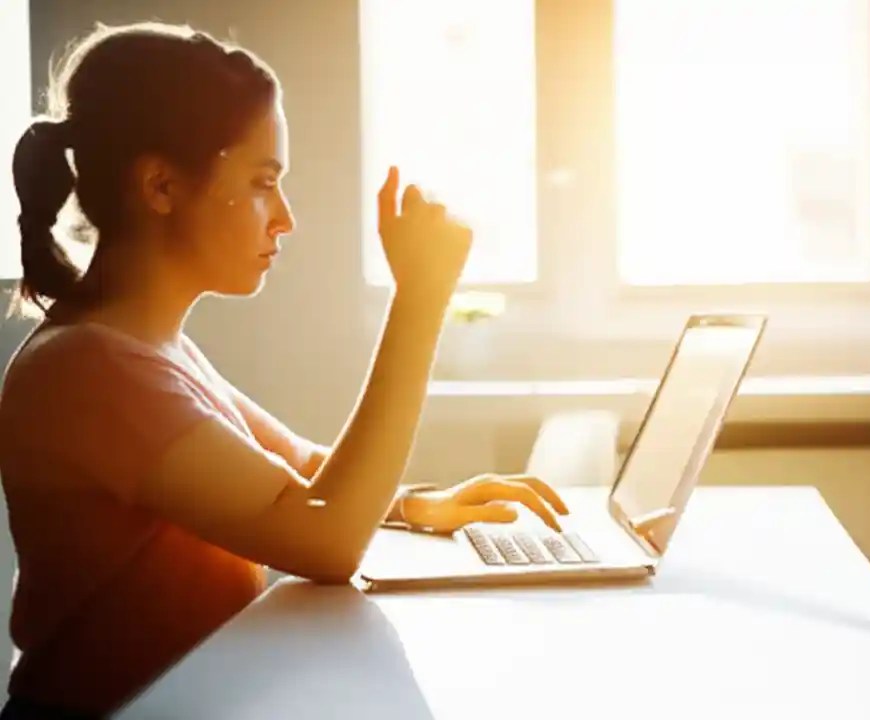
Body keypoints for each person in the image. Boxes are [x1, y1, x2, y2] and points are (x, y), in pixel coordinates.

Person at [0, 22, 570, 718]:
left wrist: (418, 505)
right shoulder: (89, 372)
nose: (286, 219)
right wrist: (419, 303)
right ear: (161, 185)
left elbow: (302, 472)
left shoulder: (148, 350)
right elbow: (324, 536)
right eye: (263, 183)